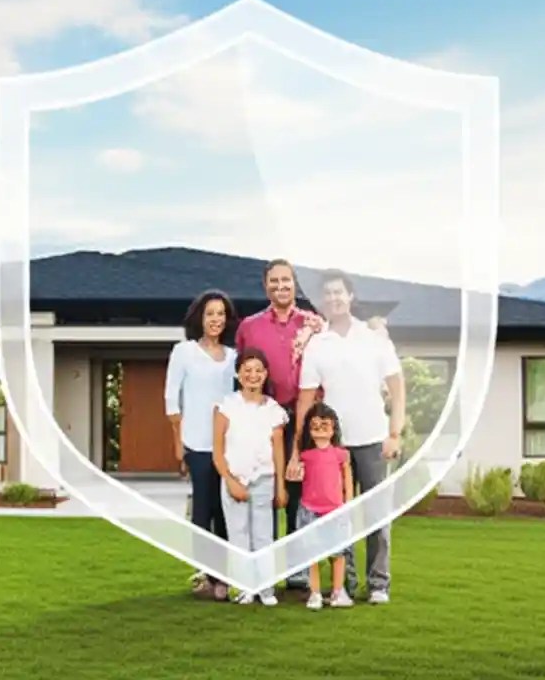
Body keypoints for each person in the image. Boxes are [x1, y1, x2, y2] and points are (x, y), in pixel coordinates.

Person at [234, 258, 387, 591]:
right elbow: (242, 371)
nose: (280, 286)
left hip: (311, 421)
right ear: (265, 286)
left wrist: (377, 326)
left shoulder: (314, 324)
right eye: (274, 281)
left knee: (308, 496)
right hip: (268, 419)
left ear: (295, 285)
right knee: (272, 494)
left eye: (286, 280)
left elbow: (351, 334)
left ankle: (303, 571)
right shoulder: (249, 327)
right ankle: (265, 572)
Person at [291, 268, 405, 605]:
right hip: (334, 446)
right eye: (327, 294)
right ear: (321, 301)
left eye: (339, 292)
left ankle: (378, 584)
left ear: (350, 296)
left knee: (376, 515)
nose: (334, 298)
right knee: (339, 518)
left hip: (373, 439)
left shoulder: (374, 338)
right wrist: (299, 449)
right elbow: (305, 401)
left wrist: (394, 433)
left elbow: (397, 389)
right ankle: (346, 585)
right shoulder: (317, 345)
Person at [164, 290, 238, 601]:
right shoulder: (184, 352)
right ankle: (206, 574)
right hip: (196, 443)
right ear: (200, 318)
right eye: (210, 314)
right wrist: (178, 445)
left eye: (221, 314)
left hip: (229, 445)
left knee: (225, 511)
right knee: (202, 510)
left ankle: (224, 577)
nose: (215, 319)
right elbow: (172, 400)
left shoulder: (234, 357)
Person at [212, 347, 289, 606]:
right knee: (239, 534)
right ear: (238, 374)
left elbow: (278, 451)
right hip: (234, 478)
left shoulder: (274, 410)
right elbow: (218, 452)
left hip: (264, 479)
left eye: (258, 370)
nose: (253, 375)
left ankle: (266, 589)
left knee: (263, 535)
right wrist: (230, 481)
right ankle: (244, 587)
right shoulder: (226, 407)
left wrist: (280, 486)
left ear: (265, 374)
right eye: (247, 370)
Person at [296, 401, 355, 610]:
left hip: (336, 510)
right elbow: (296, 476)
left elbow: (347, 478)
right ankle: (315, 593)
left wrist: (349, 503)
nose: (320, 430)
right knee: (312, 553)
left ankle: (338, 591)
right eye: (315, 426)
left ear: (333, 428)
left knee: (338, 553)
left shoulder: (341, 454)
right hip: (309, 509)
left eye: (325, 425)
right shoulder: (304, 455)